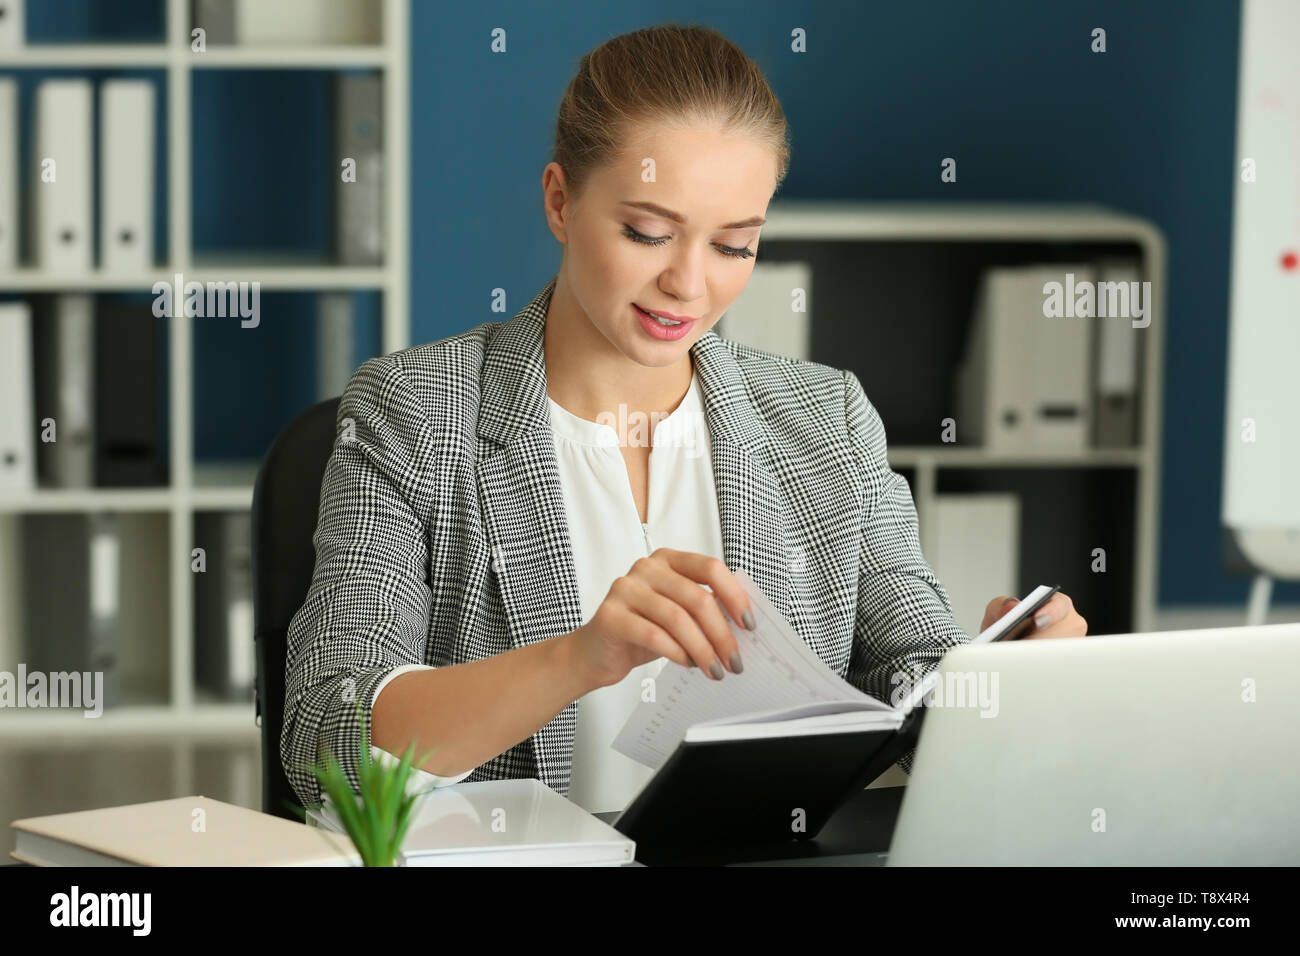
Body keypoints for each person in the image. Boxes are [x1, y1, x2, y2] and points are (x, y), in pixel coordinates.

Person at [281, 23, 1087, 816]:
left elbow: (911, 662)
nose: (688, 285)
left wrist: (994, 677)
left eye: (734, 246)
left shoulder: (826, 417)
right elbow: (326, 742)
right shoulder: (413, 411)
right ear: (560, 201)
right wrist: (577, 659)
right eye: (648, 233)